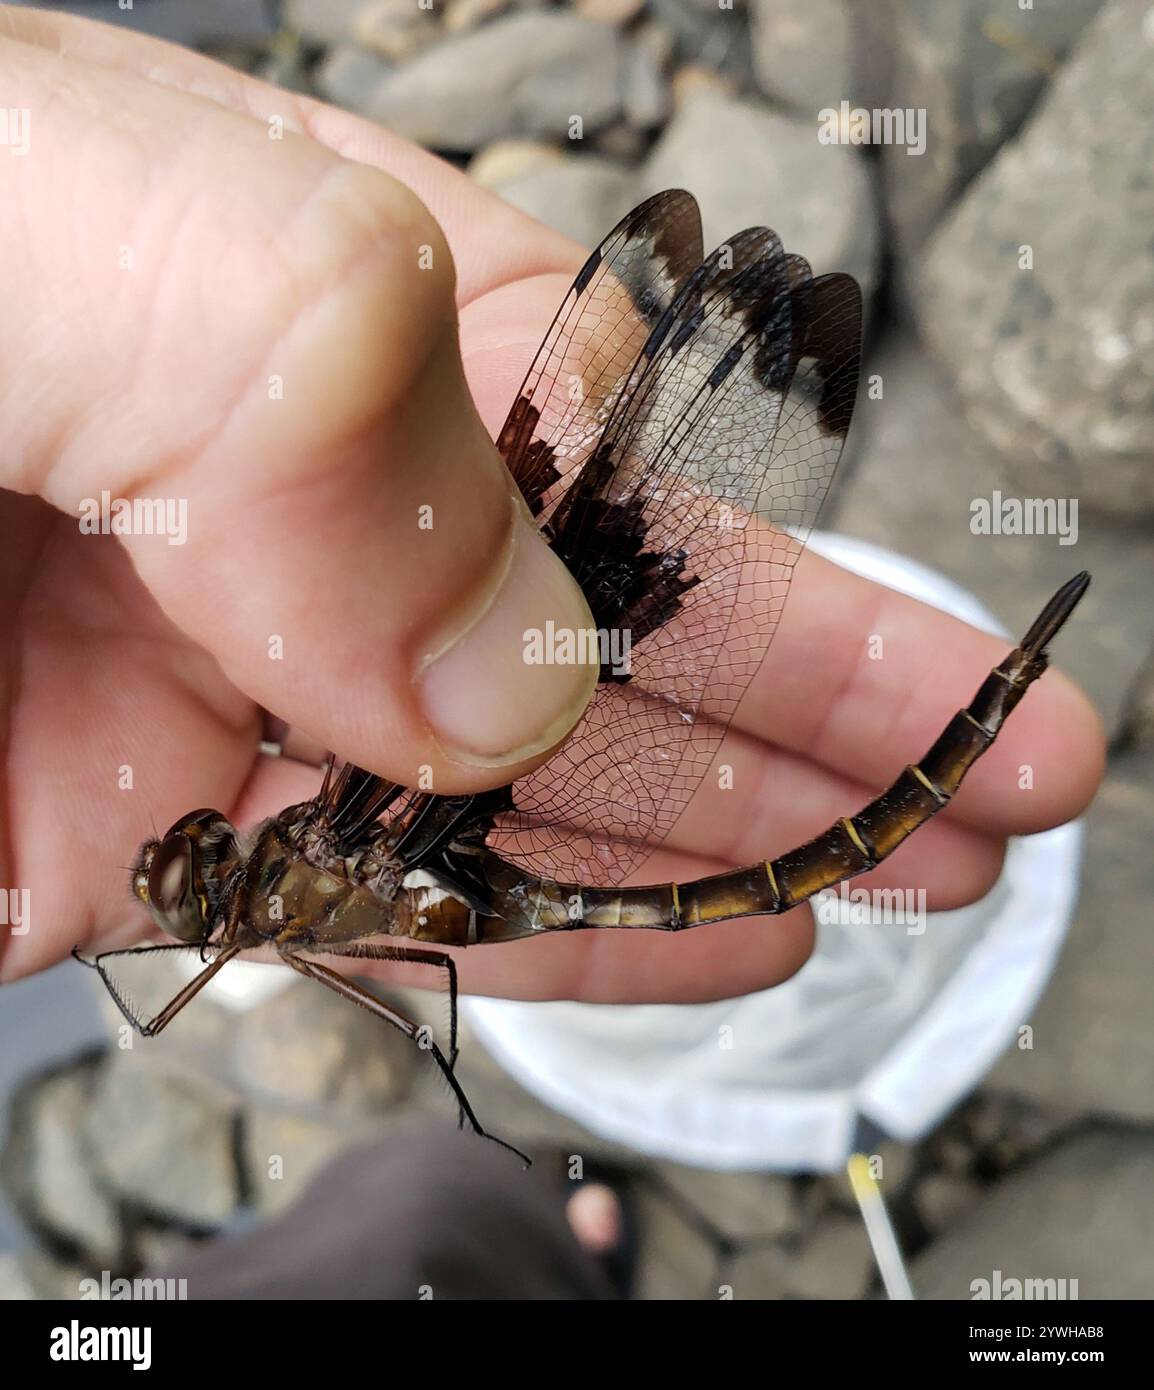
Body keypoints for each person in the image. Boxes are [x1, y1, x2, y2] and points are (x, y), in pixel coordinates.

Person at [0, 14, 1104, 1298]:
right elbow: (262, 992)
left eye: (187, 887)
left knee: (565, 491)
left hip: (492, 868)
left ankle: (499, 1206)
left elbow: (181, 1003)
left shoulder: (319, 856)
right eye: (192, 880)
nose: (188, 891)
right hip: (499, 873)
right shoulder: (324, 861)